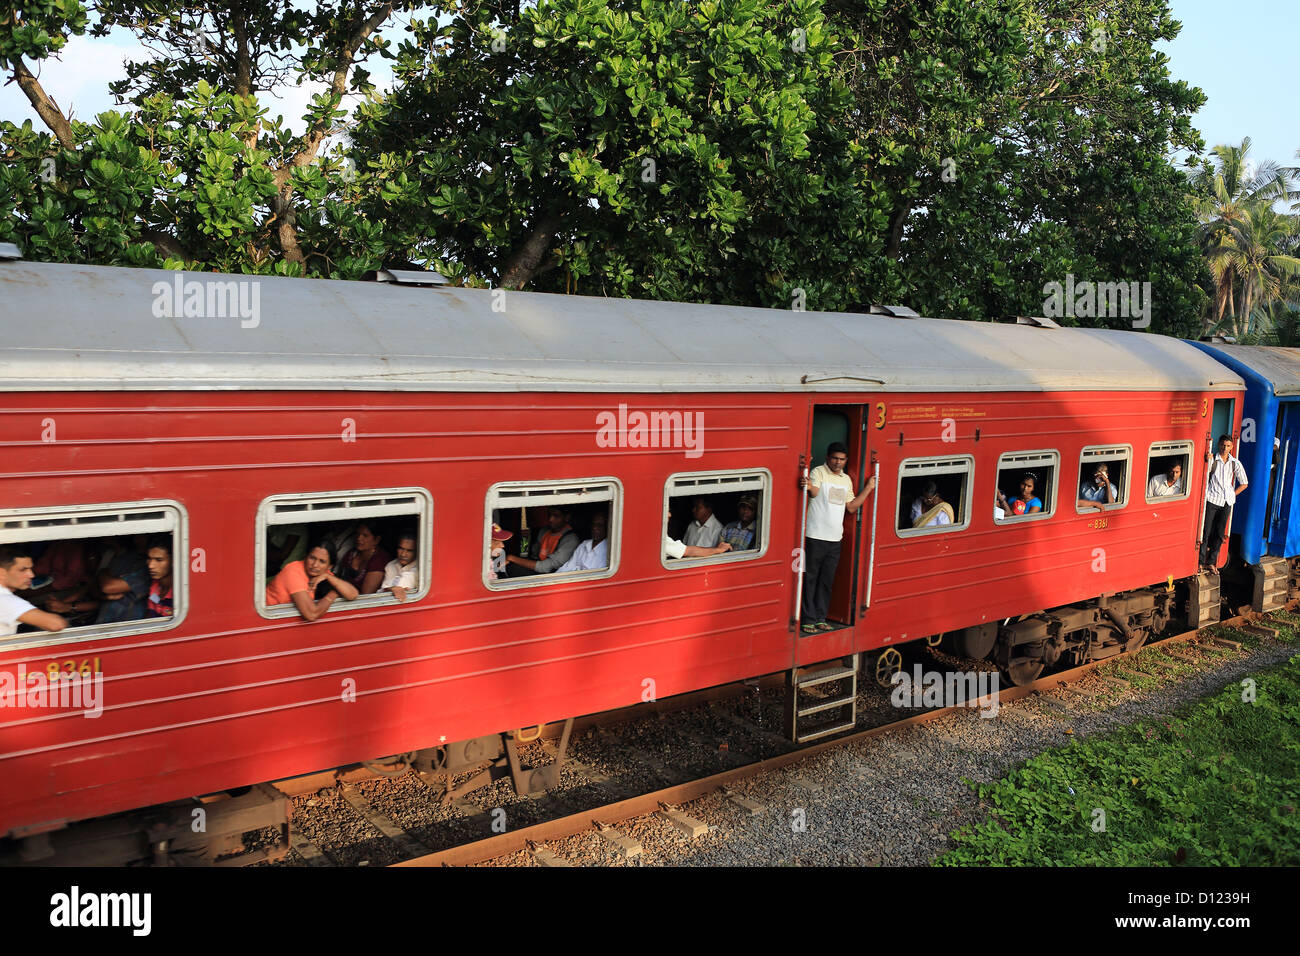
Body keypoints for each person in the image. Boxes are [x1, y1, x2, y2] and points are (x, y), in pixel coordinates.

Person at [798, 442, 875, 633]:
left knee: (826, 581)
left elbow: (851, 507)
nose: (837, 462)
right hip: (815, 536)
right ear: (827, 458)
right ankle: (808, 619)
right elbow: (814, 492)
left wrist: (869, 488)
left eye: (841, 459)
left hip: (835, 539)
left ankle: (820, 618)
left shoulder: (846, 480)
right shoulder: (818, 472)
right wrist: (807, 484)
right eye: (834, 458)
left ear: (846, 460)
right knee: (810, 579)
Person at [266, 541, 359, 621]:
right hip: (266, 619)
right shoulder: (293, 572)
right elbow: (311, 614)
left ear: (329, 566)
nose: (315, 565)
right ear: (305, 557)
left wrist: (328, 576)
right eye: (312, 558)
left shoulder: (324, 573)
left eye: (322, 561)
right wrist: (334, 593)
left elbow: (353, 594)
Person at [1201, 434, 1248, 572]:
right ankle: (1200, 561)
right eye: (1222, 445)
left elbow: (1244, 483)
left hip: (1227, 501)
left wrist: (1233, 494)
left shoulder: (1235, 463)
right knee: (1206, 531)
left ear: (1232, 447)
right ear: (1218, 445)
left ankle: (1211, 562)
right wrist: (1206, 460)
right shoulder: (1212, 460)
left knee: (1220, 533)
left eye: (1228, 446)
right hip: (1212, 499)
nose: (1225, 448)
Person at [1, 544, 68, 636]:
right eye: (23, 570)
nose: (31, 575)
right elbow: (55, 624)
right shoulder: (5, 600)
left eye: (30, 569)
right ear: (2, 573)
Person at [95, 535, 150, 624]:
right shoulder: (121, 558)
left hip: (127, 625)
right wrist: (104, 595)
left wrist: (103, 574)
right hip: (105, 621)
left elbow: (108, 587)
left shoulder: (146, 566)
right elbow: (97, 586)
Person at [506, 507, 579, 575]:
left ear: (567, 518)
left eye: (556, 516)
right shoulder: (545, 531)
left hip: (551, 575)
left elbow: (545, 567)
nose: (550, 519)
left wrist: (511, 558)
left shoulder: (570, 540)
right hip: (538, 567)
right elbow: (534, 555)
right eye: (549, 515)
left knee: (513, 569)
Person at [664, 504, 733, 561]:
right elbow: (686, 549)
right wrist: (717, 550)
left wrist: (717, 550)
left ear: (708, 509)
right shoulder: (692, 525)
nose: (693, 510)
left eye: (697, 507)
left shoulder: (718, 529)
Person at [340, 523, 390, 595]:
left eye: (365, 536)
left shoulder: (379, 561)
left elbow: (366, 595)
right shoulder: (351, 554)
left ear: (376, 540)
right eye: (358, 534)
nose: (359, 538)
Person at [381, 530, 419, 602]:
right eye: (401, 548)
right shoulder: (391, 565)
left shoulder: (418, 569)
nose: (403, 554)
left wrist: (390, 589)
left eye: (409, 550)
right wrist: (391, 589)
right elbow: (380, 593)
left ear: (417, 551)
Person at [144, 537, 174, 618]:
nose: (150, 565)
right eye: (149, 559)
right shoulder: (154, 586)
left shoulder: (180, 592)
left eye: (159, 560)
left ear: (173, 560)